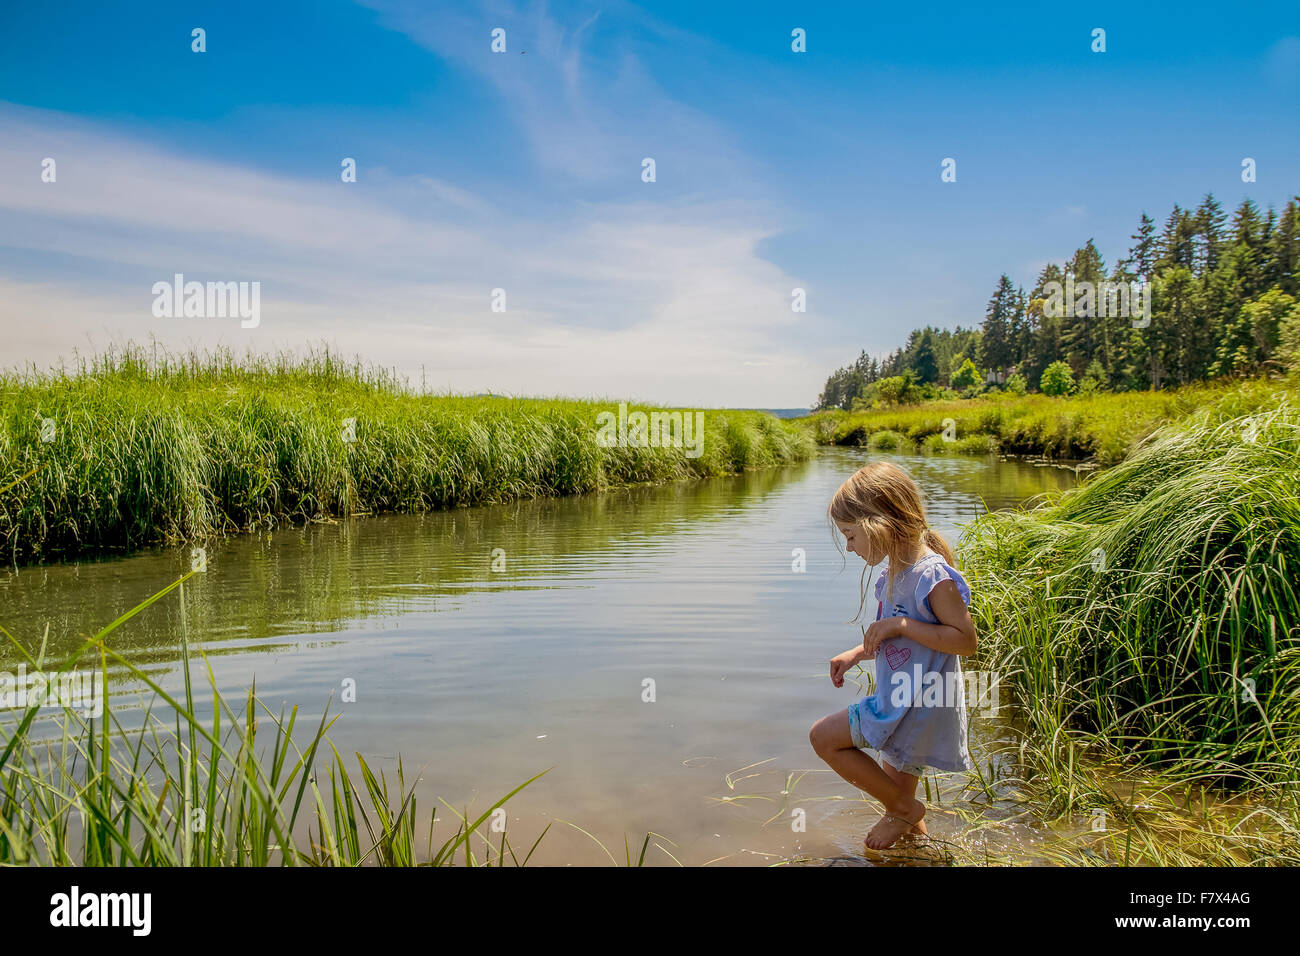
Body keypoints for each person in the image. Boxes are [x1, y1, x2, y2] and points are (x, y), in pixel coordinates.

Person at [809, 461, 978, 850]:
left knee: (823, 738)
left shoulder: (932, 576)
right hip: (901, 701)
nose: (849, 548)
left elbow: (965, 641)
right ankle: (923, 851)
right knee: (900, 815)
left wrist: (899, 626)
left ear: (880, 523)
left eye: (851, 536)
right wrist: (857, 652)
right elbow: (903, 644)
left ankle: (905, 812)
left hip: (917, 706)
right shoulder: (893, 576)